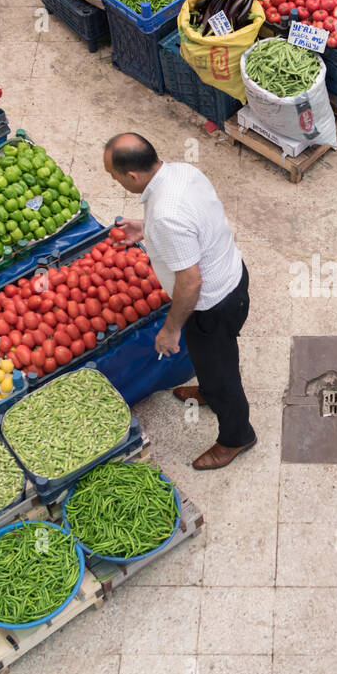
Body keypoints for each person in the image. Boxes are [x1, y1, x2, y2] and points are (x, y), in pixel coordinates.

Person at [103, 133, 257, 471]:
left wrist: (171, 330)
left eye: (114, 177)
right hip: (232, 272)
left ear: (132, 175)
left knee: (223, 370)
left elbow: (190, 283)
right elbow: (192, 221)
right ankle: (210, 390)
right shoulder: (181, 173)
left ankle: (236, 436)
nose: (114, 182)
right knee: (210, 360)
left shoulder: (166, 214)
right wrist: (148, 228)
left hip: (213, 304)